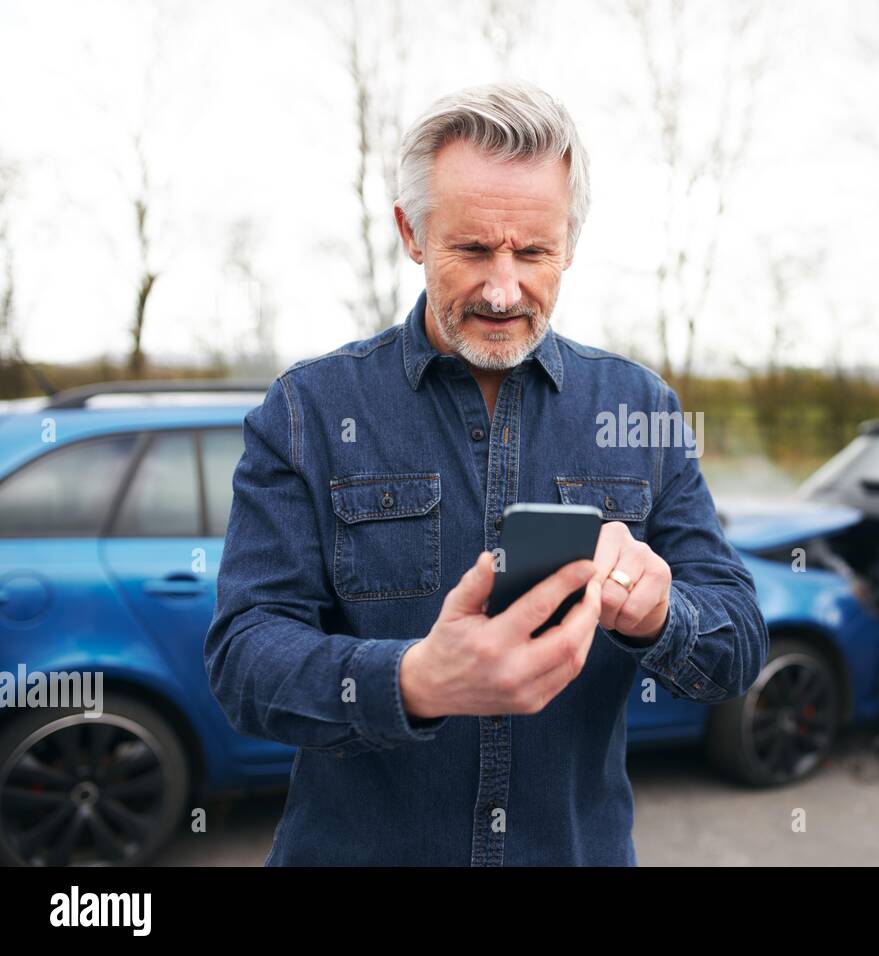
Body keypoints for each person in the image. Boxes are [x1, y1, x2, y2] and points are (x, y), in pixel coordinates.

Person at [204, 80, 768, 865]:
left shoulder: (641, 408)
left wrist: (661, 614)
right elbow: (242, 660)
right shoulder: (307, 408)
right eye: (471, 249)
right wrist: (413, 681)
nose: (504, 290)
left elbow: (737, 646)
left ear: (570, 241)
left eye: (533, 252)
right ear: (411, 231)